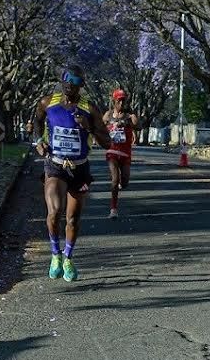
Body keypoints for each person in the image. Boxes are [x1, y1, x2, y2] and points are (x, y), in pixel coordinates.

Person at [31, 65, 112, 281]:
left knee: (73, 219)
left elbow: (107, 142)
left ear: (81, 86)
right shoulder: (47, 102)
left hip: (80, 168)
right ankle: (55, 254)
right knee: (54, 211)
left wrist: (89, 127)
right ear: (61, 81)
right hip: (55, 165)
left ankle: (67, 258)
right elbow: (37, 121)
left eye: (75, 83)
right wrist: (39, 141)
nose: (69, 86)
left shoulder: (90, 109)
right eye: (66, 81)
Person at [104, 89, 137, 218]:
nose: (121, 103)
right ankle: (113, 209)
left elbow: (138, 125)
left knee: (125, 182)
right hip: (112, 151)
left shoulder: (130, 116)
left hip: (125, 153)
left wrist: (128, 122)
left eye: (123, 100)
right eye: (119, 100)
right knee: (115, 180)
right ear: (114, 101)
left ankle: (120, 184)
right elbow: (100, 127)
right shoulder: (108, 115)